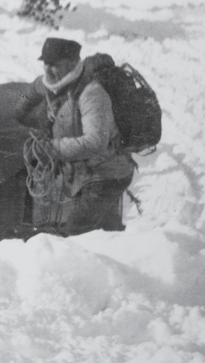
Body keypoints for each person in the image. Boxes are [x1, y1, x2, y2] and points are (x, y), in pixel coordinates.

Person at [27, 37, 136, 231]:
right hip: (85, 176)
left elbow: (96, 142)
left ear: (70, 65)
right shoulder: (53, 84)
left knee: (76, 234)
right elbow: (25, 100)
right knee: (106, 233)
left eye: (53, 65)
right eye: (45, 63)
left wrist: (52, 148)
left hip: (106, 176)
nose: (47, 69)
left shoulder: (92, 94)